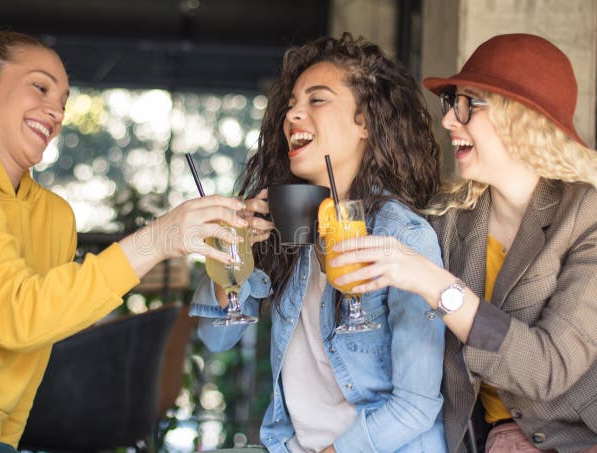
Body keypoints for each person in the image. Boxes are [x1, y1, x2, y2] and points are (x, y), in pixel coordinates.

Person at [0, 21, 247, 451]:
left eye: (63, 100)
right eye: (40, 88)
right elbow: (12, 314)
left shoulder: (52, 214)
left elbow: (45, 318)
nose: (56, 111)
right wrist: (158, 239)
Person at [330, 33, 597, 452]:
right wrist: (278, 237)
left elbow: (548, 368)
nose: (448, 121)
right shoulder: (450, 219)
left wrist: (435, 284)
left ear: (522, 117)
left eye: (466, 105)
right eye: (451, 104)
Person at [190, 33, 447, 453]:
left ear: (364, 122)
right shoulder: (287, 225)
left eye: (317, 100)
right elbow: (216, 339)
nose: (293, 114)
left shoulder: (402, 236)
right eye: (291, 103)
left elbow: (416, 407)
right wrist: (236, 251)